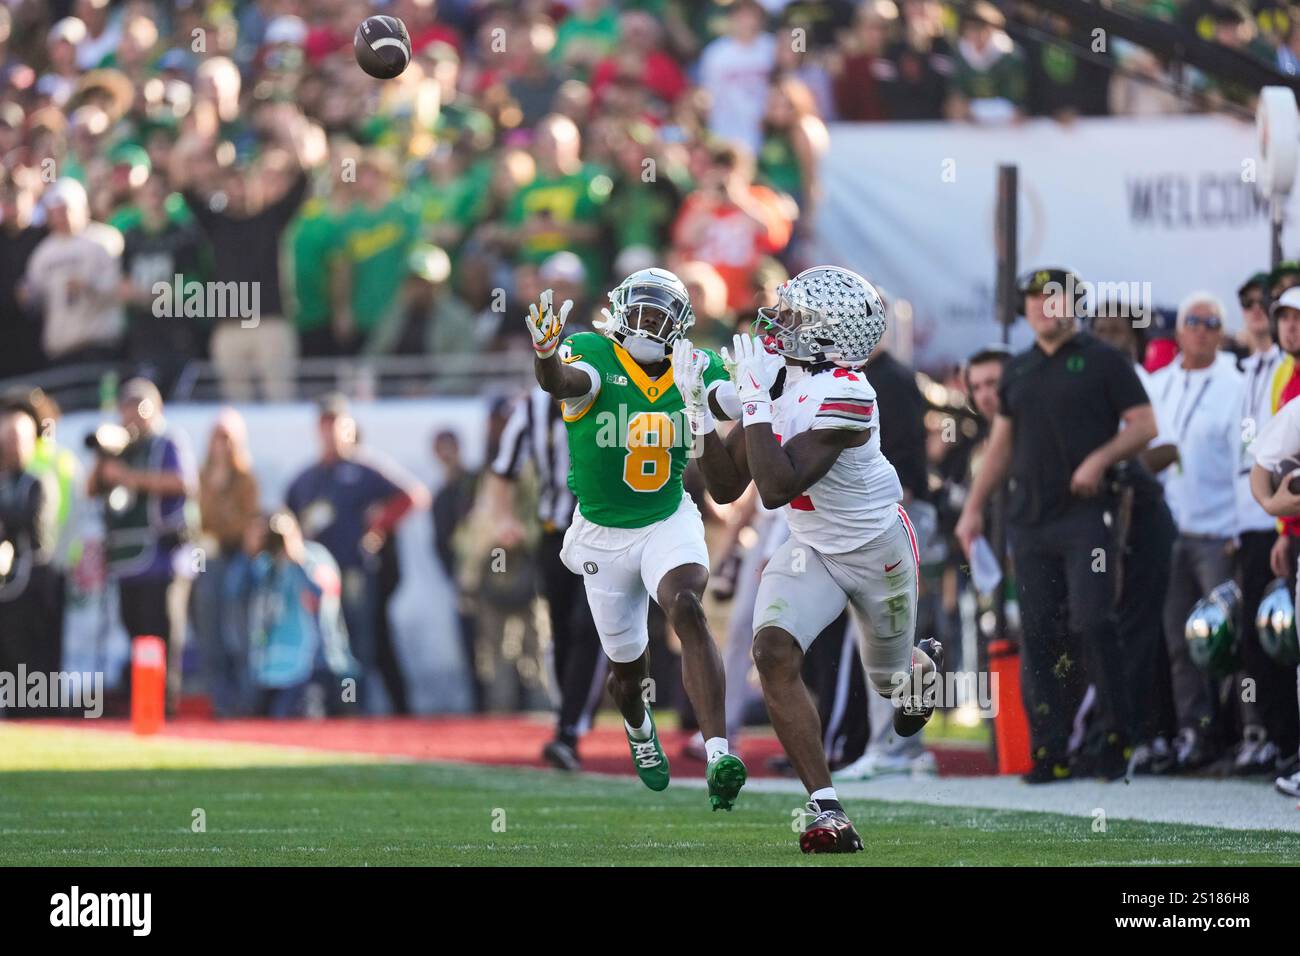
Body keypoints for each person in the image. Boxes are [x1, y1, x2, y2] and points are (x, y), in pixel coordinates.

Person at [690, 265, 941, 853]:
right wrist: (697, 413)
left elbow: (775, 487)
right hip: (811, 548)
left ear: (829, 336)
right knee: (772, 650)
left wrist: (751, 401)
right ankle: (826, 809)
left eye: (798, 314)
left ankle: (919, 667)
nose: (781, 318)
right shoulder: (778, 373)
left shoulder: (850, 392)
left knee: (889, 686)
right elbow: (726, 487)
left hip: (875, 548)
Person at [523, 268, 748, 810]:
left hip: (666, 516)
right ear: (620, 311)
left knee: (686, 605)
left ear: (678, 325)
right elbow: (562, 383)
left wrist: (754, 387)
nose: (648, 322)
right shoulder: (591, 352)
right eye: (640, 311)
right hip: (603, 533)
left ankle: (718, 750)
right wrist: (547, 356)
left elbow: (731, 404)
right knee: (628, 673)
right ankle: (640, 728)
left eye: (659, 315)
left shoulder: (694, 362)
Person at [956, 268, 1157, 783]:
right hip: (1030, 521)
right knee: (1040, 634)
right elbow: (1001, 445)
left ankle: (1115, 738)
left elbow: (1144, 425)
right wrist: (974, 507)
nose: (1044, 308)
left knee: (1093, 621)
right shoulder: (1018, 370)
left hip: (1086, 516)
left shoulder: (1104, 360)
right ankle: (1050, 749)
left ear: (1073, 305)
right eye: (1035, 300)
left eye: (1054, 299)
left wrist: (1099, 460)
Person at [1145, 294, 1243, 770]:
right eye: (1194, 321)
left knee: (1227, 640)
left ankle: (1242, 734)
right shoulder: (1158, 384)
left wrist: (1241, 529)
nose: (1202, 329)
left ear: (1221, 333)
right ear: (1179, 331)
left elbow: (1246, 464)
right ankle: (1195, 735)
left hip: (1220, 531)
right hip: (1171, 533)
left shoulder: (1237, 384)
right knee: (1179, 640)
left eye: (1212, 322)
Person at [285, 394, 429, 714]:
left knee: (356, 642)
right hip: (317, 576)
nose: (329, 432)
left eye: (335, 424)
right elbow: (287, 519)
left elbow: (414, 496)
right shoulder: (307, 479)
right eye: (324, 425)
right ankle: (334, 706)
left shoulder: (365, 470)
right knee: (325, 643)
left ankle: (354, 708)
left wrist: (380, 522)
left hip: (353, 570)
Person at [487, 386, 606, 771]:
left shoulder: (611, 397)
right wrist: (503, 518)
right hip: (555, 531)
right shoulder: (534, 408)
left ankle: (569, 728)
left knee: (588, 626)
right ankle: (570, 714)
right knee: (562, 630)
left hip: (603, 533)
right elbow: (503, 468)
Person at [87, 378, 197, 714]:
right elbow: (91, 490)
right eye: (126, 408)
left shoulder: (168, 441)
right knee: (134, 627)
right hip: (126, 558)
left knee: (160, 631)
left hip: (161, 557)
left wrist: (130, 478)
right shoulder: (123, 447)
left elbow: (184, 483)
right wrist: (104, 459)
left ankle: (164, 703)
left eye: (138, 407)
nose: (132, 416)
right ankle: (144, 699)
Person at [194, 409, 260, 718]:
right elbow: (195, 521)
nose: (221, 444)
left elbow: (246, 524)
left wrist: (218, 531)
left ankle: (246, 701)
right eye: (217, 437)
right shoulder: (201, 477)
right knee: (209, 635)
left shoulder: (246, 479)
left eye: (227, 438)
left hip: (235, 561)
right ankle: (221, 703)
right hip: (207, 563)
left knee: (238, 634)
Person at [0, 407, 60, 714]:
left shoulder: (38, 480)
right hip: (8, 585)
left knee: (32, 654)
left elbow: (33, 526)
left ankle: (36, 710)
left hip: (35, 582)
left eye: (17, 439)